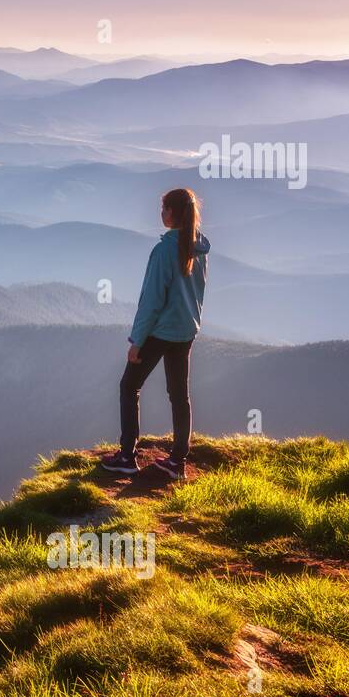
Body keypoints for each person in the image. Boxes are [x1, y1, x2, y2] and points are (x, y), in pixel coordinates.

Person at [101, 188, 210, 479]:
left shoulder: (164, 251)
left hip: (161, 331)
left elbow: (151, 302)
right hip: (186, 330)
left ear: (172, 213)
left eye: (163, 209)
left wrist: (137, 342)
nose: (160, 214)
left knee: (129, 386)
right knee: (179, 395)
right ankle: (178, 461)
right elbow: (197, 292)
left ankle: (127, 456)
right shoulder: (197, 248)